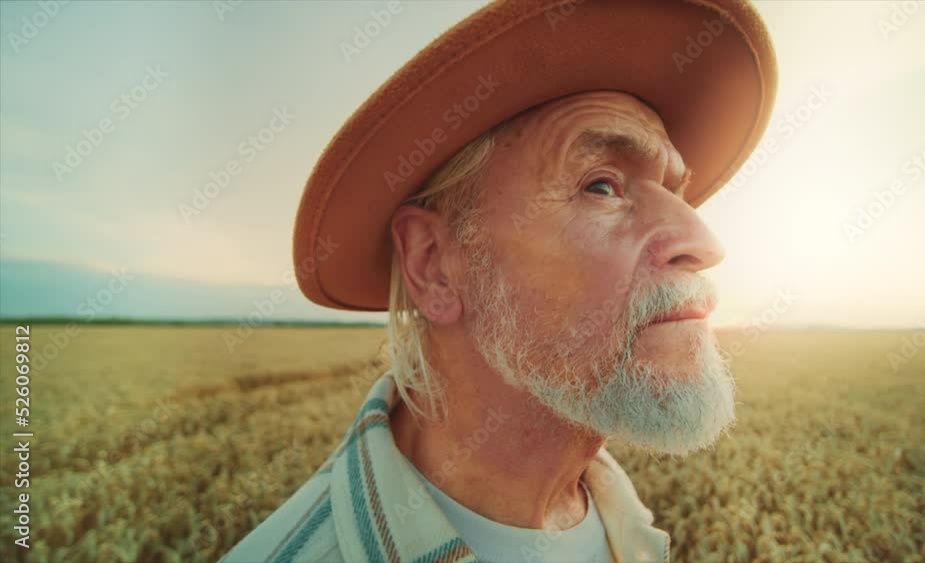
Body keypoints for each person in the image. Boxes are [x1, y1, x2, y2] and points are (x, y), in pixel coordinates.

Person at [221, 0, 777, 561]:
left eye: (675, 192)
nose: (704, 244)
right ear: (433, 264)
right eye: (601, 187)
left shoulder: (625, 524)